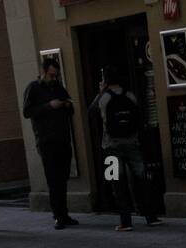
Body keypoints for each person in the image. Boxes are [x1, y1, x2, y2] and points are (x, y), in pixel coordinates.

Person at [88, 66, 160, 231]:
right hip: (132, 144)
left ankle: (125, 221)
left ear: (105, 80)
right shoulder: (130, 95)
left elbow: (90, 113)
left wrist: (100, 91)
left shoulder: (104, 98)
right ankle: (151, 216)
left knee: (117, 184)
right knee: (141, 180)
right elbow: (139, 116)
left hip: (111, 146)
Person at [22, 58, 79, 230]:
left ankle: (64, 213)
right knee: (53, 180)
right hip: (47, 140)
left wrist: (66, 104)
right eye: (51, 75)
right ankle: (58, 216)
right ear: (44, 71)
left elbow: (71, 108)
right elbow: (27, 112)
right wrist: (49, 106)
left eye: (56, 75)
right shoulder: (34, 88)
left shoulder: (59, 88)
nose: (54, 78)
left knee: (62, 178)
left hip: (63, 138)